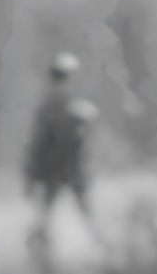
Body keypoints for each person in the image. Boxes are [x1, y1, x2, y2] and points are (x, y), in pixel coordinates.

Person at [22, 53, 99, 248]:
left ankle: (40, 250)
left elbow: (37, 142)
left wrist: (30, 174)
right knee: (83, 214)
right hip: (63, 168)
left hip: (54, 168)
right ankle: (104, 249)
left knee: (47, 215)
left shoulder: (51, 104)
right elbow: (67, 140)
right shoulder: (70, 105)